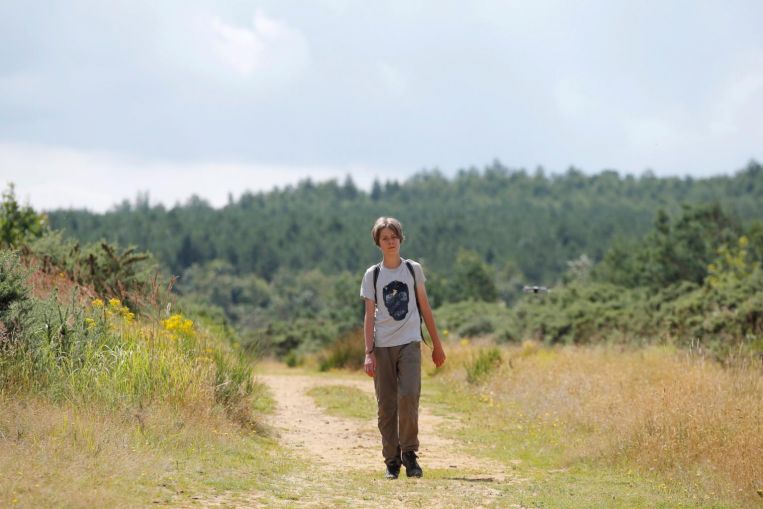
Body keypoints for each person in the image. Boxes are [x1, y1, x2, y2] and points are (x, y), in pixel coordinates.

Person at [359, 216, 447, 479]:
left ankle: (410, 452)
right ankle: (391, 460)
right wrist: (368, 352)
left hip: (410, 342)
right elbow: (369, 316)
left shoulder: (412, 270)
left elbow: (425, 307)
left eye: (394, 236)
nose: (390, 242)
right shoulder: (372, 275)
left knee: (409, 395)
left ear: (401, 239)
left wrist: (437, 345)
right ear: (378, 242)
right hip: (382, 345)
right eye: (385, 238)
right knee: (387, 404)